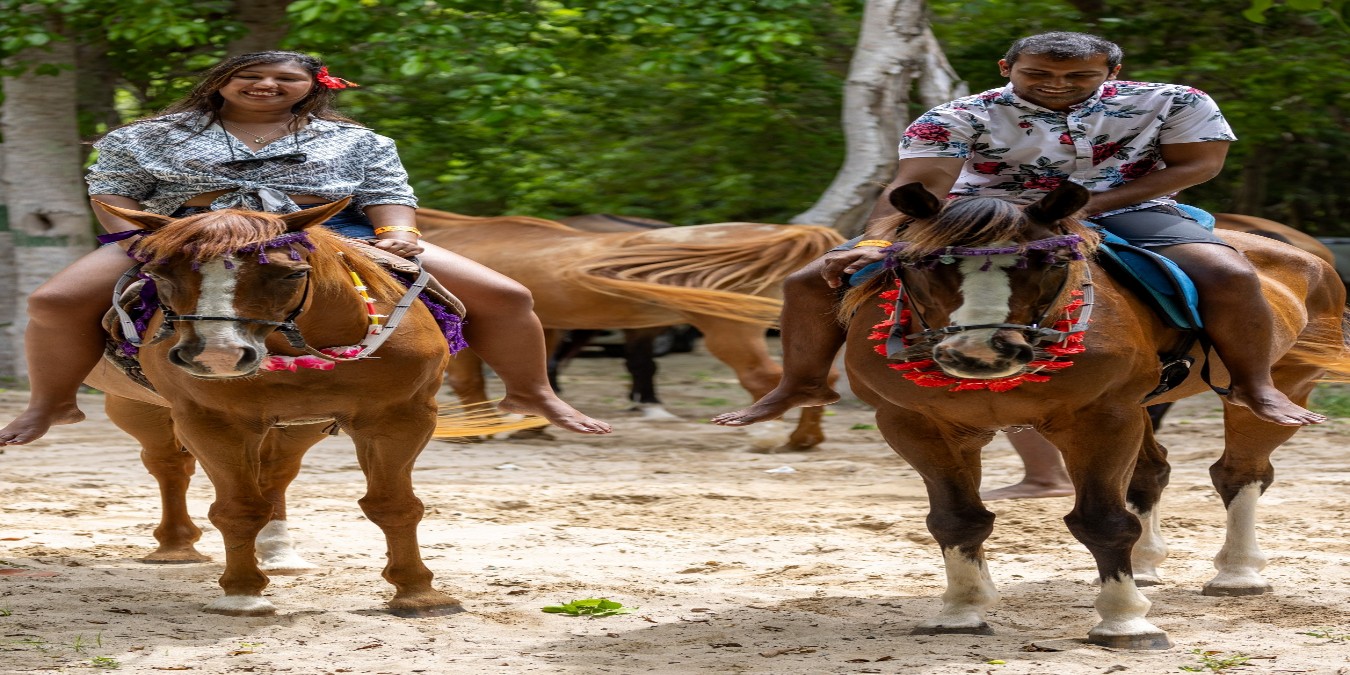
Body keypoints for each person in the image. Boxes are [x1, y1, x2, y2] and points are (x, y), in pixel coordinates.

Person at [713, 31, 1325, 491]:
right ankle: (798, 384)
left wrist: (1084, 207)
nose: (1057, 85)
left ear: (1112, 71)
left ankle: (1253, 384)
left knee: (1228, 271)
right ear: (1007, 68)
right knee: (809, 277)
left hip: (1122, 207)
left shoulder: (1174, 101)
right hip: (978, 217)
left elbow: (1197, 165)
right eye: (1037, 75)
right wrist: (876, 241)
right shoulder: (957, 116)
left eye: (1079, 77)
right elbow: (918, 179)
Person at [0, 50, 610, 446]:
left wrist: (399, 234)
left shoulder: (359, 140)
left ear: (309, 87)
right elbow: (112, 193)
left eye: (283, 78)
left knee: (507, 293)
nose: (266, 85)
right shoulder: (146, 136)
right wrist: (151, 237)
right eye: (251, 76)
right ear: (221, 84)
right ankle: (52, 403)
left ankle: (533, 391)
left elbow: (388, 193)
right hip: (189, 238)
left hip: (324, 236)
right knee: (55, 300)